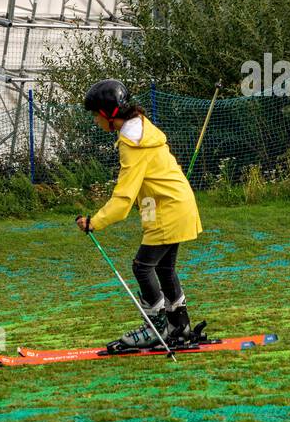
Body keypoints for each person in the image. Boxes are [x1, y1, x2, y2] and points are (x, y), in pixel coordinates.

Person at [76, 78, 203, 351]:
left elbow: (123, 199)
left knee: (142, 267)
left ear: (107, 115)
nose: (95, 121)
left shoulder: (132, 143)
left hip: (167, 210)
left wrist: (94, 222)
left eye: (95, 115)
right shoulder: (142, 130)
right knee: (164, 268)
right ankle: (179, 326)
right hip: (177, 205)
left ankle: (156, 327)